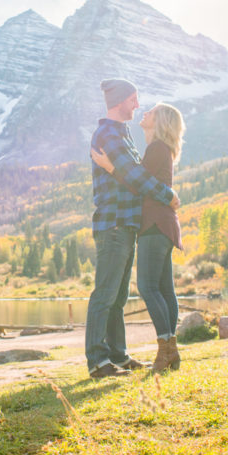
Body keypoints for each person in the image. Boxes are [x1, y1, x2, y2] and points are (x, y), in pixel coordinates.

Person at [86, 79, 180, 379]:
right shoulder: (108, 135)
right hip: (113, 223)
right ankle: (98, 362)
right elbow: (135, 176)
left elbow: (134, 175)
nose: (137, 105)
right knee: (105, 294)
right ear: (119, 101)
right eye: (133, 99)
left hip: (126, 224)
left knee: (118, 298)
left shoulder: (123, 135)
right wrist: (169, 195)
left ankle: (119, 355)